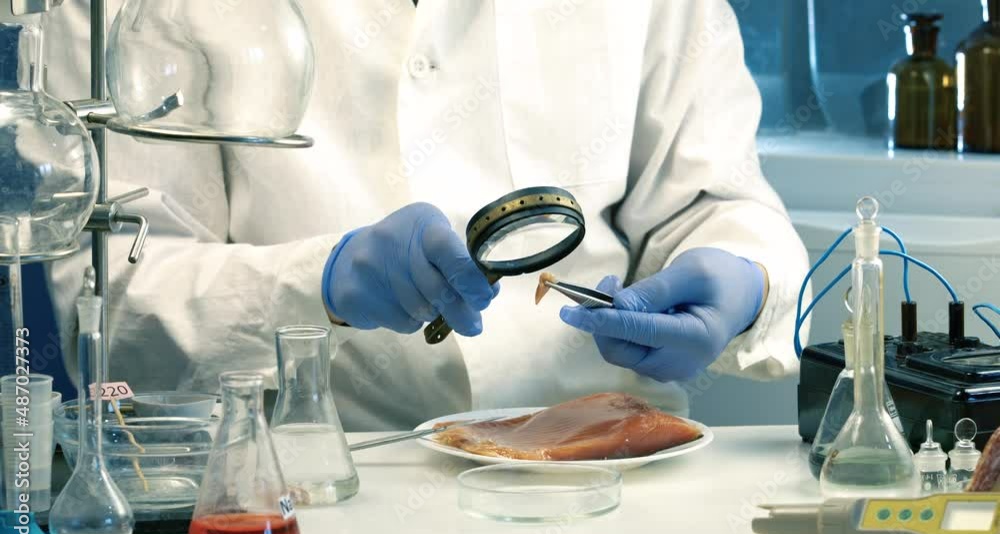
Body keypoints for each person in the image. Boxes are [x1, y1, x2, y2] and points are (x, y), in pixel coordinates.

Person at [43, 0, 810, 430]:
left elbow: (716, 201)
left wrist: (744, 281)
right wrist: (318, 283)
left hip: (608, 464)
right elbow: (110, 298)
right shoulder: (134, 13)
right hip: (305, 481)